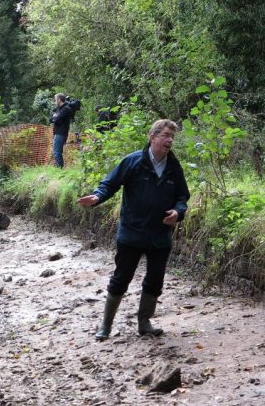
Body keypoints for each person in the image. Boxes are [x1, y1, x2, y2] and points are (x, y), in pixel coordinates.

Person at [77, 119, 189, 340]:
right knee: (121, 278)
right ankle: (106, 326)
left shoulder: (174, 167)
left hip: (160, 236)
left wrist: (178, 212)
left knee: (155, 280)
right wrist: (98, 196)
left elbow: (182, 197)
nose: (169, 141)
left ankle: (144, 323)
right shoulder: (133, 161)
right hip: (132, 233)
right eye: (166, 135)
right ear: (152, 137)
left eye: (172, 137)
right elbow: (110, 184)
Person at [49, 93, 79, 168]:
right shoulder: (60, 109)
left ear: (59, 100)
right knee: (56, 152)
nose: (55, 101)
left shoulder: (65, 109)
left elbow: (55, 119)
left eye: (55, 99)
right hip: (58, 132)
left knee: (57, 152)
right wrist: (54, 118)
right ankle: (59, 168)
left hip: (61, 133)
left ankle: (59, 169)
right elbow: (52, 119)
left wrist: (54, 118)